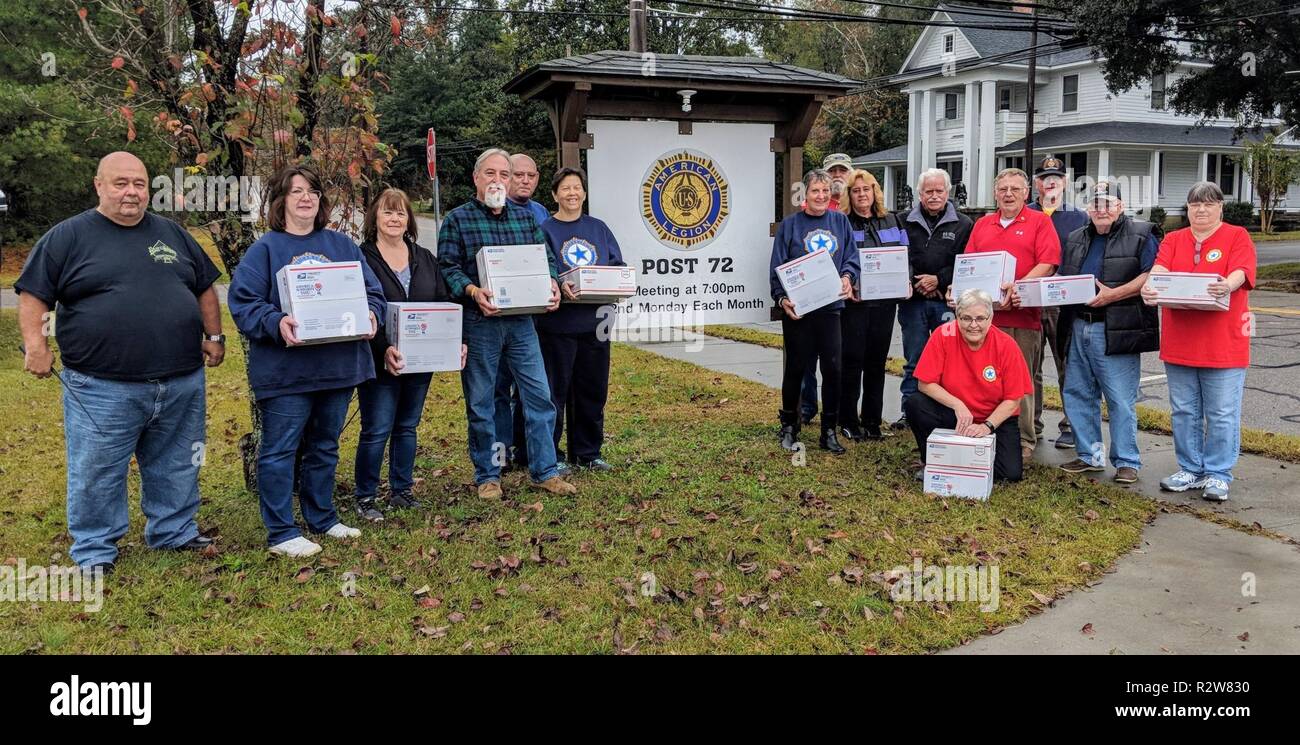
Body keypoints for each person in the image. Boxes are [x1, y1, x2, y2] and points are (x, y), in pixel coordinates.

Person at [15, 151, 222, 573]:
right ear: (99, 185)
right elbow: (34, 293)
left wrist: (214, 337)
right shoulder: (67, 237)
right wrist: (35, 345)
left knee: (179, 462)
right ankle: (95, 550)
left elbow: (203, 286)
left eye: (140, 184)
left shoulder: (172, 233)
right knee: (97, 469)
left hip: (181, 378)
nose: (131, 192)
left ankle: (175, 531)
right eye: (121, 183)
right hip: (101, 385)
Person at [228, 164, 386, 558]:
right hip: (287, 372)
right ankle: (281, 532)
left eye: (312, 191)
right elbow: (243, 302)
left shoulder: (342, 246)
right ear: (281, 202)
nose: (305, 198)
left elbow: (374, 294)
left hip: (337, 366)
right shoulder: (264, 250)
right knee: (280, 449)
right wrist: (276, 320)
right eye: (296, 191)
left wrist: (371, 315)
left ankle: (323, 517)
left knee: (325, 446)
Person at [437, 148, 576, 500]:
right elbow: (447, 268)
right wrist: (470, 289)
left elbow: (545, 260)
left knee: (539, 396)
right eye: (491, 174)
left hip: (522, 323)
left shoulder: (525, 219)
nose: (498, 180)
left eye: (504, 174)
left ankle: (544, 470)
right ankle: (488, 474)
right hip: (480, 322)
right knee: (483, 400)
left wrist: (553, 284)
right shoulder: (458, 219)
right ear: (476, 178)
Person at [353, 188, 467, 523]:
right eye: (387, 212)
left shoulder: (424, 257)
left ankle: (401, 491)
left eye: (400, 213)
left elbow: (445, 302)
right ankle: (366, 496)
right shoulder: (363, 257)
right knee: (376, 428)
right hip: (380, 360)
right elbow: (361, 311)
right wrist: (383, 348)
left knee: (407, 426)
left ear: (409, 220)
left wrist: (455, 341)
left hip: (421, 360)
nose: (394, 218)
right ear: (375, 217)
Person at [1141, 181, 1257, 501]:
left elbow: (1242, 272)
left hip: (1223, 343)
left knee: (1221, 412)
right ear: (1188, 209)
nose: (1201, 209)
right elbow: (1159, 270)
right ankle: (1190, 468)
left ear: (1220, 207)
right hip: (1181, 342)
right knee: (1184, 410)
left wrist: (1227, 285)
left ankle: (1218, 473)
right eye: (1194, 204)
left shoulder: (1237, 236)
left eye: (1208, 204)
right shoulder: (1175, 239)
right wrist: (1149, 288)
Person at [1057, 180, 1159, 484]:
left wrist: (1113, 294)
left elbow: (1153, 273)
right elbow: (1063, 279)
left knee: (1120, 398)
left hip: (1116, 326)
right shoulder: (1076, 237)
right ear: (1088, 210)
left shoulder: (1142, 234)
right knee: (1077, 393)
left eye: (1107, 204)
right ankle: (1090, 455)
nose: (1101, 210)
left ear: (1121, 207)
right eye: (1095, 205)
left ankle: (1127, 460)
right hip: (1078, 324)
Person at [961, 167, 1061, 463]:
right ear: (995, 193)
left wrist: (1019, 285)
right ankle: (985, 431)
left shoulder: (1039, 222)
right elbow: (969, 263)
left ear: (1026, 193)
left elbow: (1049, 262)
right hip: (984, 320)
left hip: (1022, 317)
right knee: (984, 379)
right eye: (1003, 189)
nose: (1008, 194)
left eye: (1015, 189)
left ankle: (1024, 440)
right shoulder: (983, 224)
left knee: (1020, 381)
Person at [537, 167, 623, 471]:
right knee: (554, 392)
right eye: (565, 188)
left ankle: (587, 453)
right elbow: (541, 272)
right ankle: (553, 456)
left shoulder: (599, 228)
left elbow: (617, 265)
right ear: (554, 195)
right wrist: (560, 285)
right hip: (558, 325)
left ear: (584, 193)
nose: (572, 193)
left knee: (592, 389)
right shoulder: (545, 230)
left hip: (596, 322)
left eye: (577, 188)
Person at [770, 169, 859, 454]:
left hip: (830, 308)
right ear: (804, 195)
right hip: (800, 310)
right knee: (795, 368)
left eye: (825, 191)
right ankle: (789, 427)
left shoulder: (840, 221)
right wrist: (782, 298)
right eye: (815, 191)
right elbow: (777, 264)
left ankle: (828, 431)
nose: (820, 196)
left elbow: (851, 258)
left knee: (832, 369)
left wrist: (848, 277)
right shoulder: (790, 225)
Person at [905, 289, 1033, 482]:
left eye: (980, 318)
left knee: (1010, 475)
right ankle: (933, 460)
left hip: (994, 418)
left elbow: (1013, 400)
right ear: (957, 316)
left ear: (991, 318)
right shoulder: (943, 335)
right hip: (956, 415)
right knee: (915, 403)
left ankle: (964, 458)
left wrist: (986, 427)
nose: (974, 325)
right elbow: (925, 383)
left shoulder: (1007, 345)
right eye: (966, 318)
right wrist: (957, 405)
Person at [838, 169, 910, 441]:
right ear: (849, 195)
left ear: (874, 192)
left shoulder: (892, 220)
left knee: (876, 363)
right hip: (855, 305)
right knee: (852, 362)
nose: (861, 195)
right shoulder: (843, 223)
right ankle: (848, 420)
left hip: (884, 304)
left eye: (866, 189)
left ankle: (872, 421)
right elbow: (840, 259)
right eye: (855, 191)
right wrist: (849, 282)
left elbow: (906, 255)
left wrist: (907, 280)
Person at [898, 167, 971, 429]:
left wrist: (939, 280)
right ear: (919, 193)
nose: (934, 195)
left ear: (948, 192)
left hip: (944, 301)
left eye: (939, 191)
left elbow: (964, 261)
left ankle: (947, 411)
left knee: (949, 360)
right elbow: (899, 256)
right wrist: (916, 282)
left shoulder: (964, 223)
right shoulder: (902, 220)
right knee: (914, 359)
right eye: (928, 191)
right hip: (912, 302)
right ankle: (909, 412)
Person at [495, 153, 552, 470]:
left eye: (531, 175)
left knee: (530, 391)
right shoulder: (493, 210)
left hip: (531, 316)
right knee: (498, 392)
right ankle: (500, 457)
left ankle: (529, 454)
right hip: (495, 317)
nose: (525, 180)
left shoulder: (540, 212)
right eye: (518, 175)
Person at [1028, 156, 1090, 449]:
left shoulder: (1079, 217)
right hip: (1029, 301)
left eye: (1056, 177)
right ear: (1036, 183)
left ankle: (1070, 425)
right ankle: (1032, 422)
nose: (1050, 181)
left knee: (1068, 365)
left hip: (1063, 302)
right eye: (1044, 177)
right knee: (1030, 367)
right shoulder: (1024, 214)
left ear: (1065, 182)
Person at [798, 152, 857, 423]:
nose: (836, 177)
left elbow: (853, 253)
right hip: (814, 298)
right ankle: (807, 407)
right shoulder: (809, 211)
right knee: (808, 357)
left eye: (841, 171)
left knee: (838, 360)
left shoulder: (855, 206)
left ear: (850, 174)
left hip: (846, 298)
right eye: (831, 172)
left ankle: (838, 414)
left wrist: (849, 277)